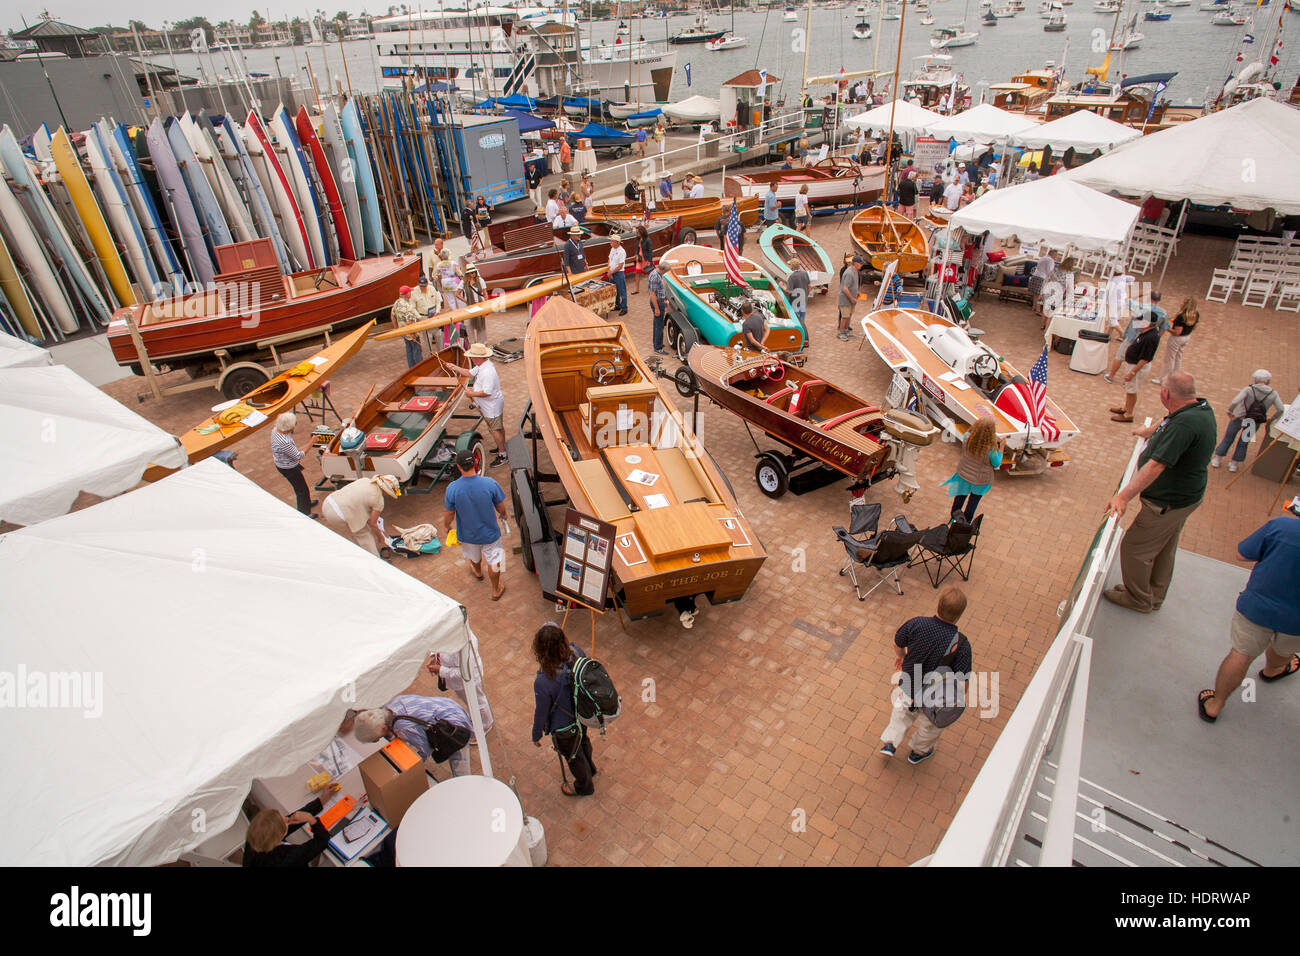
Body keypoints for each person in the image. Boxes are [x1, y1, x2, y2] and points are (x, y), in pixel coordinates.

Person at [1102, 372, 1217, 613]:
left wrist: (1123, 497)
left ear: (1166, 393)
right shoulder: (1198, 409)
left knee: (1135, 548)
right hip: (1186, 498)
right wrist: (1150, 432)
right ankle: (1154, 594)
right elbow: (1169, 421)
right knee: (1164, 548)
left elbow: (1156, 465)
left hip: (1168, 503)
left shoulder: (1185, 424)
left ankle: (1139, 599)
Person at [1198, 515, 1300, 723]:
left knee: (1241, 654)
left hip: (1256, 607)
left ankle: (1215, 705)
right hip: (1295, 621)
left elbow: (1241, 554)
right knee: (1285, 651)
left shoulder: (1281, 526)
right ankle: (1273, 670)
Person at [879, 587, 973, 764]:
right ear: (960, 614)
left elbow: (897, 642)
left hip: (909, 685)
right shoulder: (962, 645)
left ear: (938, 605)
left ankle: (890, 743)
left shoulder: (917, 624)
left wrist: (901, 656)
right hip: (935, 698)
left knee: (900, 714)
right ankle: (919, 752)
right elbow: (963, 679)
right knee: (929, 728)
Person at [531, 622, 596, 796]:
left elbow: (541, 711)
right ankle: (591, 769)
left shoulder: (543, 681)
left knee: (573, 756)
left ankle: (584, 786)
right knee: (583, 741)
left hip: (564, 726)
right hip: (581, 714)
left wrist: (536, 733)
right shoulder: (576, 652)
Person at [441, 447, 509, 599]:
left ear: (459, 467)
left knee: (474, 555)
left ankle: (478, 572)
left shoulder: (452, 488)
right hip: (490, 533)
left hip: (467, 534)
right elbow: (500, 506)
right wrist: (504, 515)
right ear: (475, 463)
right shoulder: (489, 483)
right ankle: (496, 589)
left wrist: (447, 526)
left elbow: (449, 513)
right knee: (495, 560)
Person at [355, 694, 474, 777]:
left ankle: (466, 792)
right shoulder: (389, 705)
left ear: (384, 728)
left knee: (460, 769)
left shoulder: (402, 727)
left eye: (379, 737)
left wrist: (407, 767)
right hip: (447, 706)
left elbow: (425, 749)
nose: (381, 738)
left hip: (453, 728)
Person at [1213, 369, 1285, 472]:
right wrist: (1272, 418)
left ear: (1255, 379)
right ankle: (1234, 464)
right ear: (1268, 381)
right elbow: (1281, 409)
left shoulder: (1248, 389)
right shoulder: (1273, 393)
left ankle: (1217, 459)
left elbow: (1235, 401)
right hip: (1254, 421)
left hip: (1239, 417)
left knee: (1228, 438)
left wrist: (1230, 411)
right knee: (1244, 442)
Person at [448, 343, 507, 466]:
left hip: (491, 406)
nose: (472, 359)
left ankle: (502, 454)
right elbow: (470, 373)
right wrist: (455, 367)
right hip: (489, 405)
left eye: (473, 357)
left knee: (494, 429)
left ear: (479, 358)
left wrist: (471, 394)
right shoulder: (482, 365)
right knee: (497, 427)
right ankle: (501, 446)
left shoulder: (487, 372)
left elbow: (487, 392)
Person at [425, 629, 495, 733]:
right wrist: (435, 656)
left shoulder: (465, 646)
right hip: (458, 681)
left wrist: (440, 669)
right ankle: (475, 717)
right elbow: (439, 640)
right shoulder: (448, 631)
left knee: (477, 702)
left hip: (468, 680)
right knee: (469, 701)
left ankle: (486, 724)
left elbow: (465, 672)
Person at [322, 474, 403, 557]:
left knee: (352, 533)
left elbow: (360, 501)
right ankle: (374, 560)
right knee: (364, 534)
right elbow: (373, 524)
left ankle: (359, 553)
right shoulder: (378, 500)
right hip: (338, 514)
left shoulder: (365, 480)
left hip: (329, 502)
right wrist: (381, 537)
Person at [941, 416, 1004, 523]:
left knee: (959, 498)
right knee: (973, 502)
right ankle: (965, 524)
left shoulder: (967, 437)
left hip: (963, 475)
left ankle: (953, 519)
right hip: (980, 480)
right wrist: (1001, 447)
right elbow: (997, 463)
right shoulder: (991, 448)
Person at [1108, 319, 1163, 423]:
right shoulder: (1147, 332)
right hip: (1133, 364)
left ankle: (1128, 414)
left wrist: (1132, 372)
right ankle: (1126, 408)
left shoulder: (1150, 338)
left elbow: (1144, 359)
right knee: (1129, 389)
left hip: (1137, 367)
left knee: (1131, 390)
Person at [242, 804, 330, 867]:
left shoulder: (254, 839)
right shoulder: (290, 856)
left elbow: (289, 821)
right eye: (285, 821)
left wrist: (320, 802)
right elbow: (322, 840)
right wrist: (311, 819)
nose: (288, 819)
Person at [271, 412, 317, 517]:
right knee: (301, 490)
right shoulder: (284, 441)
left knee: (302, 488)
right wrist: (312, 442)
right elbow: (298, 455)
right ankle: (305, 513)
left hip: (283, 463)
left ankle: (307, 503)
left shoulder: (275, 430)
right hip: (288, 468)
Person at [1152, 297, 1197, 385]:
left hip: (1177, 339)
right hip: (1186, 337)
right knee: (1178, 357)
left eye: (1182, 302)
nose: (1181, 304)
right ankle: (1176, 377)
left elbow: (1177, 332)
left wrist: (1167, 327)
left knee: (1170, 359)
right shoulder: (1195, 314)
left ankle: (1164, 380)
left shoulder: (1181, 317)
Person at [391, 284, 423, 367]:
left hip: (404, 332)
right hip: (411, 333)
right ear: (406, 294)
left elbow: (393, 316)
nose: (411, 294)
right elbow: (409, 322)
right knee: (417, 352)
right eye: (409, 292)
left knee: (409, 351)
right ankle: (419, 368)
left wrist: (397, 329)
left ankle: (411, 368)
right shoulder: (408, 306)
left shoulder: (396, 303)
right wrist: (413, 334)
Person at [648, 258, 670, 355]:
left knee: (657, 324)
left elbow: (660, 290)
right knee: (659, 325)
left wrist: (665, 299)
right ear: (663, 270)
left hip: (660, 301)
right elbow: (652, 294)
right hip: (657, 303)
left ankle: (656, 343)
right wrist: (657, 308)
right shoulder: (655, 277)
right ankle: (658, 347)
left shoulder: (657, 274)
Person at [461, 263, 487, 345]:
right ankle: (472, 343)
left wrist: (486, 304)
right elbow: (457, 293)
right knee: (469, 325)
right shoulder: (464, 283)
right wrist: (466, 301)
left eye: (474, 272)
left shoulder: (480, 281)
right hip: (469, 306)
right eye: (472, 272)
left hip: (480, 305)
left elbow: (485, 293)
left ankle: (481, 343)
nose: (474, 274)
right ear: (468, 274)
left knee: (481, 326)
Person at [837, 255, 862, 340]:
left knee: (849, 315)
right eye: (860, 263)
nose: (861, 265)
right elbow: (845, 288)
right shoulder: (849, 273)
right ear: (855, 263)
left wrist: (857, 292)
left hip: (851, 299)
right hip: (846, 299)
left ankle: (846, 330)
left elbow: (852, 285)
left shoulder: (855, 271)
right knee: (845, 316)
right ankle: (840, 332)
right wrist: (852, 298)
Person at [785, 257, 811, 333]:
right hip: (803, 301)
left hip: (795, 303)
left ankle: (798, 334)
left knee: (796, 320)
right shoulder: (805, 273)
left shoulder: (792, 277)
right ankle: (803, 332)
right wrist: (806, 295)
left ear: (792, 267)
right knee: (802, 320)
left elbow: (789, 291)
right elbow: (809, 286)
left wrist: (782, 286)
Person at [607, 235, 628, 316]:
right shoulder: (612, 249)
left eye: (612, 241)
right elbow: (609, 259)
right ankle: (617, 305)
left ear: (617, 242)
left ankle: (624, 308)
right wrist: (609, 270)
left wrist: (611, 272)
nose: (610, 243)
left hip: (619, 273)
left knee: (622, 291)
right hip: (612, 272)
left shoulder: (622, 252)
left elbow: (620, 266)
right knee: (615, 291)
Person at [631, 223, 653, 295]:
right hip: (640, 259)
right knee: (637, 273)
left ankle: (651, 289)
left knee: (649, 274)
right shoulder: (638, 239)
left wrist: (649, 261)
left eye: (638, 232)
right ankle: (637, 289)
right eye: (636, 232)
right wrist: (636, 255)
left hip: (645, 259)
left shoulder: (648, 240)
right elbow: (637, 248)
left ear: (641, 232)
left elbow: (650, 251)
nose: (637, 233)